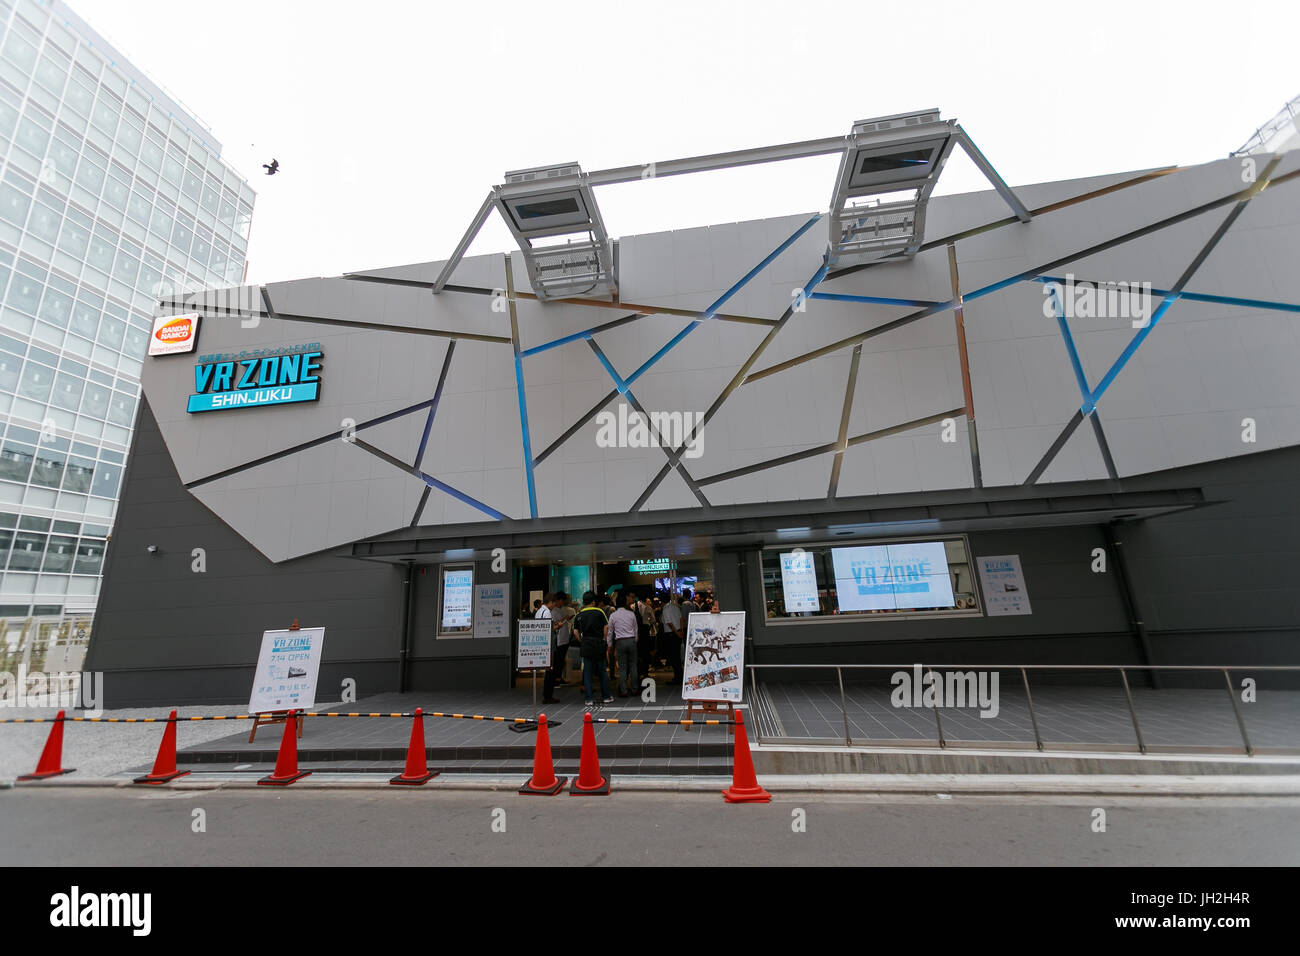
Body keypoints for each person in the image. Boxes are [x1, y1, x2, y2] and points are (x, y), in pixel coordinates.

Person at [572, 591, 612, 705]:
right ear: (593, 602)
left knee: (587, 673)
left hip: (586, 645)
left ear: (584, 602)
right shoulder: (599, 612)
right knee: (602, 671)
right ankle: (606, 697)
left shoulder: (579, 614)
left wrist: (582, 641)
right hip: (599, 643)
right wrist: (604, 639)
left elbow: (575, 632)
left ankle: (589, 699)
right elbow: (606, 627)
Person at [609, 592, 640, 697]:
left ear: (616, 604)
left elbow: (610, 632)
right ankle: (635, 689)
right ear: (625, 603)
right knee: (633, 666)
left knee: (622, 667)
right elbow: (636, 629)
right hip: (631, 640)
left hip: (620, 642)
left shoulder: (613, 616)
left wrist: (610, 645)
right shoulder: (631, 614)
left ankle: (623, 690)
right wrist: (635, 640)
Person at [541, 591, 569, 704]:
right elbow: (548, 628)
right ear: (551, 602)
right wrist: (558, 626)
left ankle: (547, 695)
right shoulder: (547, 612)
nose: (554, 605)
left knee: (549, 670)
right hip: (550, 643)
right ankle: (548, 696)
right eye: (554, 603)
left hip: (544, 643)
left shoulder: (540, 611)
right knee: (550, 671)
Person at [660, 591, 685, 685]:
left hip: (671, 634)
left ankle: (677, 678)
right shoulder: (675, 607)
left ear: (662, 601)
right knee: (677, 656)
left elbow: (669, 623)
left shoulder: (665, 609)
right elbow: (681, 619)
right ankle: (680, 677)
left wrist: (677, 633)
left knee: (674, 657)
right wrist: (681, 630)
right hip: (678, 632)